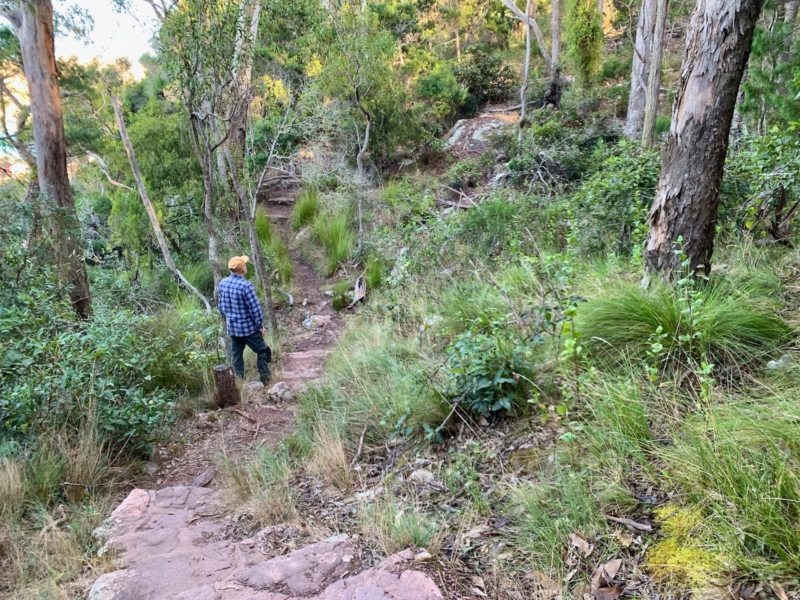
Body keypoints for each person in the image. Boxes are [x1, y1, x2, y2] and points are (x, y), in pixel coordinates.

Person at [218, 255, 271, 383]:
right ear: (242, 269)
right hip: (248, 329)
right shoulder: (245, 286)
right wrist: (260, 326)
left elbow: (220, 306)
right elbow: (255, 309)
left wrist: (227, 320)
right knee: (263, 351)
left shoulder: (223, 283)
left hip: (233, 329)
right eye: (245, 265)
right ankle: (266, 379)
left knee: (236, 357)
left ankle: (238, 382)